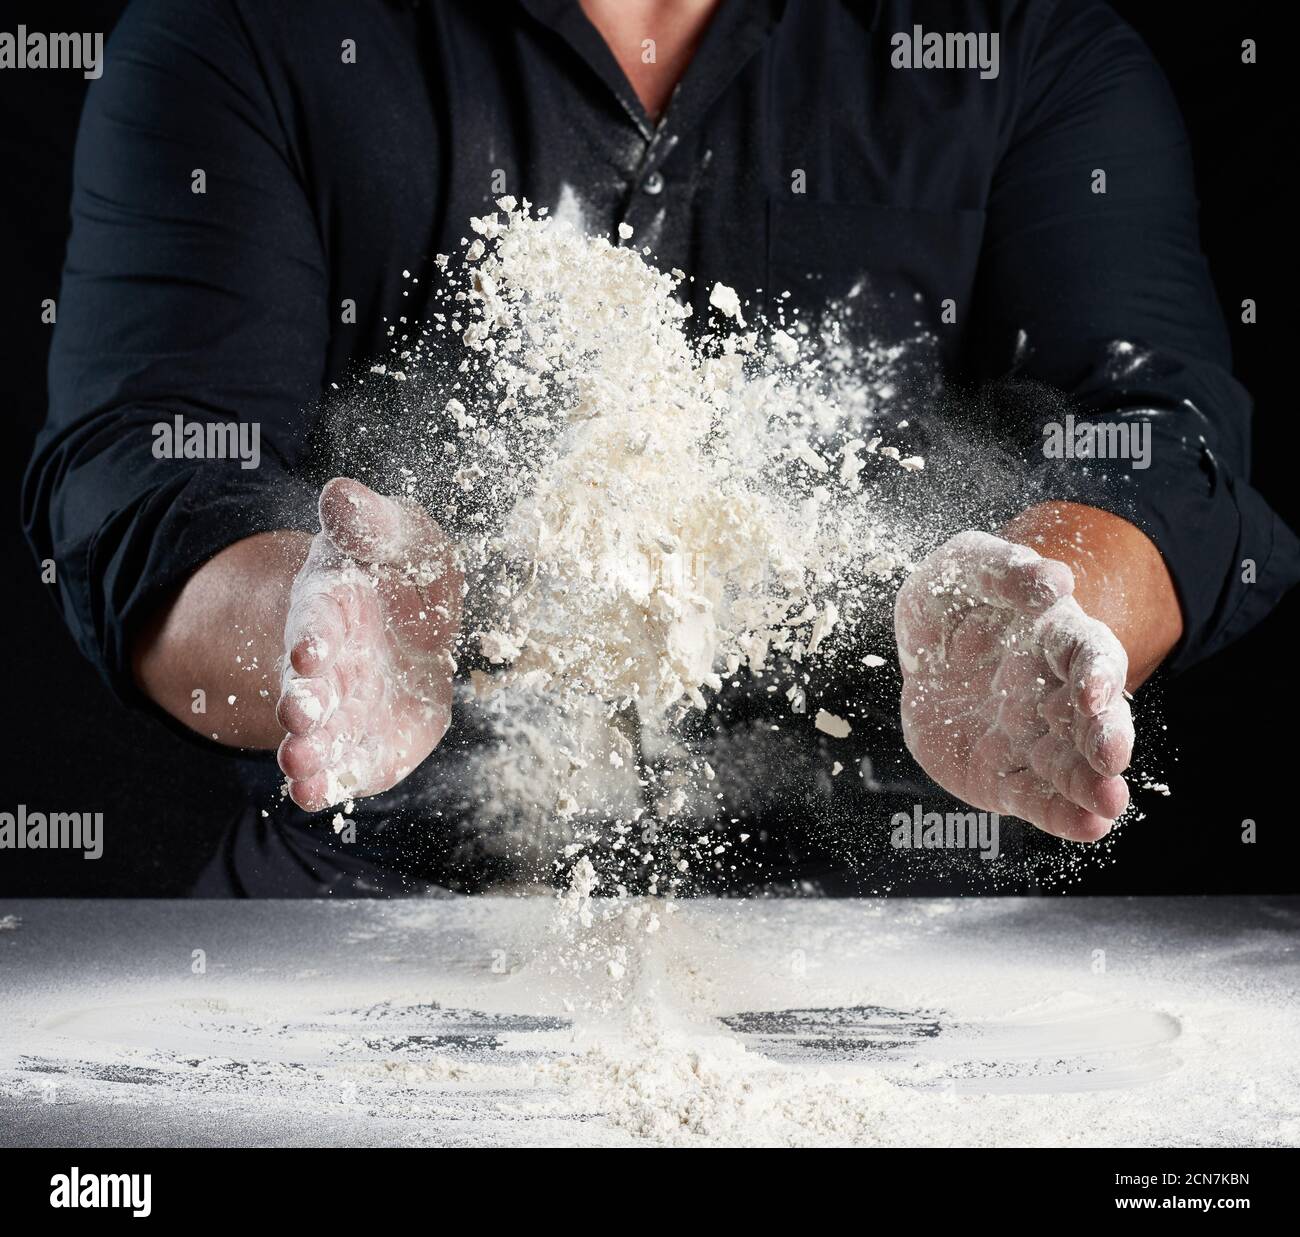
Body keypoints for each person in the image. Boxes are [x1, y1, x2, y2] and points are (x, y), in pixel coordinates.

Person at [26, 0, 1298, 894]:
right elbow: (141, 481)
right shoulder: (244, 27)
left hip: (911, 939)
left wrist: (1042, 606)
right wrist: (306, 626)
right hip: (359, 907)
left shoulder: (1021, 34)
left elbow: (1156, 436)